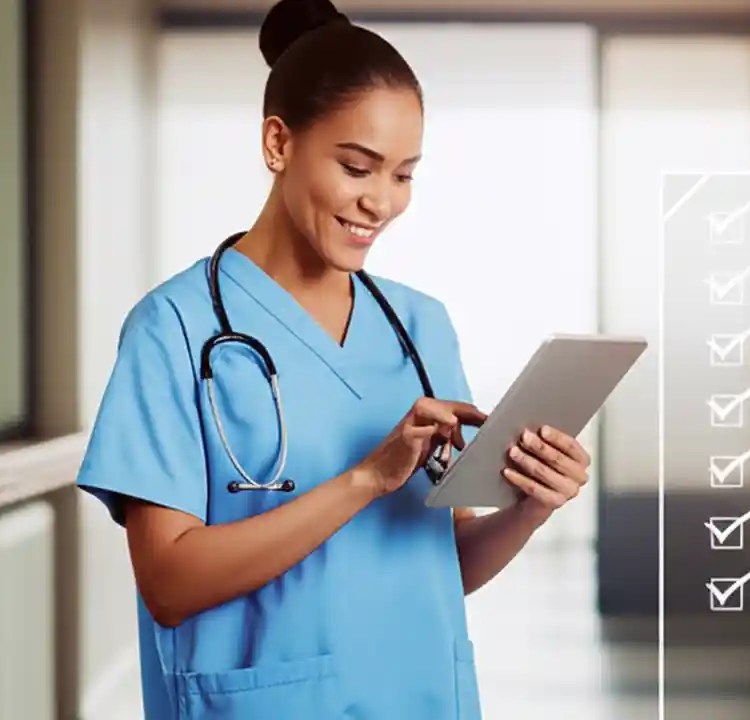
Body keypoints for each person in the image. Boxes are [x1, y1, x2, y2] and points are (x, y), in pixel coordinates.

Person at [74, 1, 592, 717]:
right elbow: (169, 582)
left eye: (404, 175)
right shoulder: (176, 329)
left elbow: (443, 565)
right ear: (278, 143)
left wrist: (529, 510)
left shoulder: (419, 326)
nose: (380, 202)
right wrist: (365, 480)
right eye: (358, 167)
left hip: (420, 698)